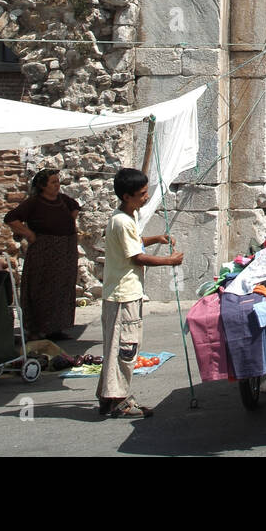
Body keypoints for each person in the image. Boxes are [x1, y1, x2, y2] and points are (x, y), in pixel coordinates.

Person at [97, 167, 182, 419]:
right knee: (125, 348)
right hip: (124, 295)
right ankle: (118, 400)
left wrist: (156, 238)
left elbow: (134, 243)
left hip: (121, 293)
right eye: (142, 194)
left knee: (116, 347)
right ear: (127, 196)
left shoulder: (124, 217)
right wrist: (170, 262)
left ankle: (108, 397)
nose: (146, 197)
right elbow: (136, 257)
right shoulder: (122, 221)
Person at [4, 168, 81, 340]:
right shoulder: (34, 202)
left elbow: (75, 206)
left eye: (57, 181)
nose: (57, 185)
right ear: (42, 186)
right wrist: (28, 233)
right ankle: (36, 329)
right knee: (40, 287)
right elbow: (11, 218)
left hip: (65, 250)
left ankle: (56, 327)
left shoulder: (63, 200)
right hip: (43, 251)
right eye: (53, 182)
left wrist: (70, 220)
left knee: (61, 287)